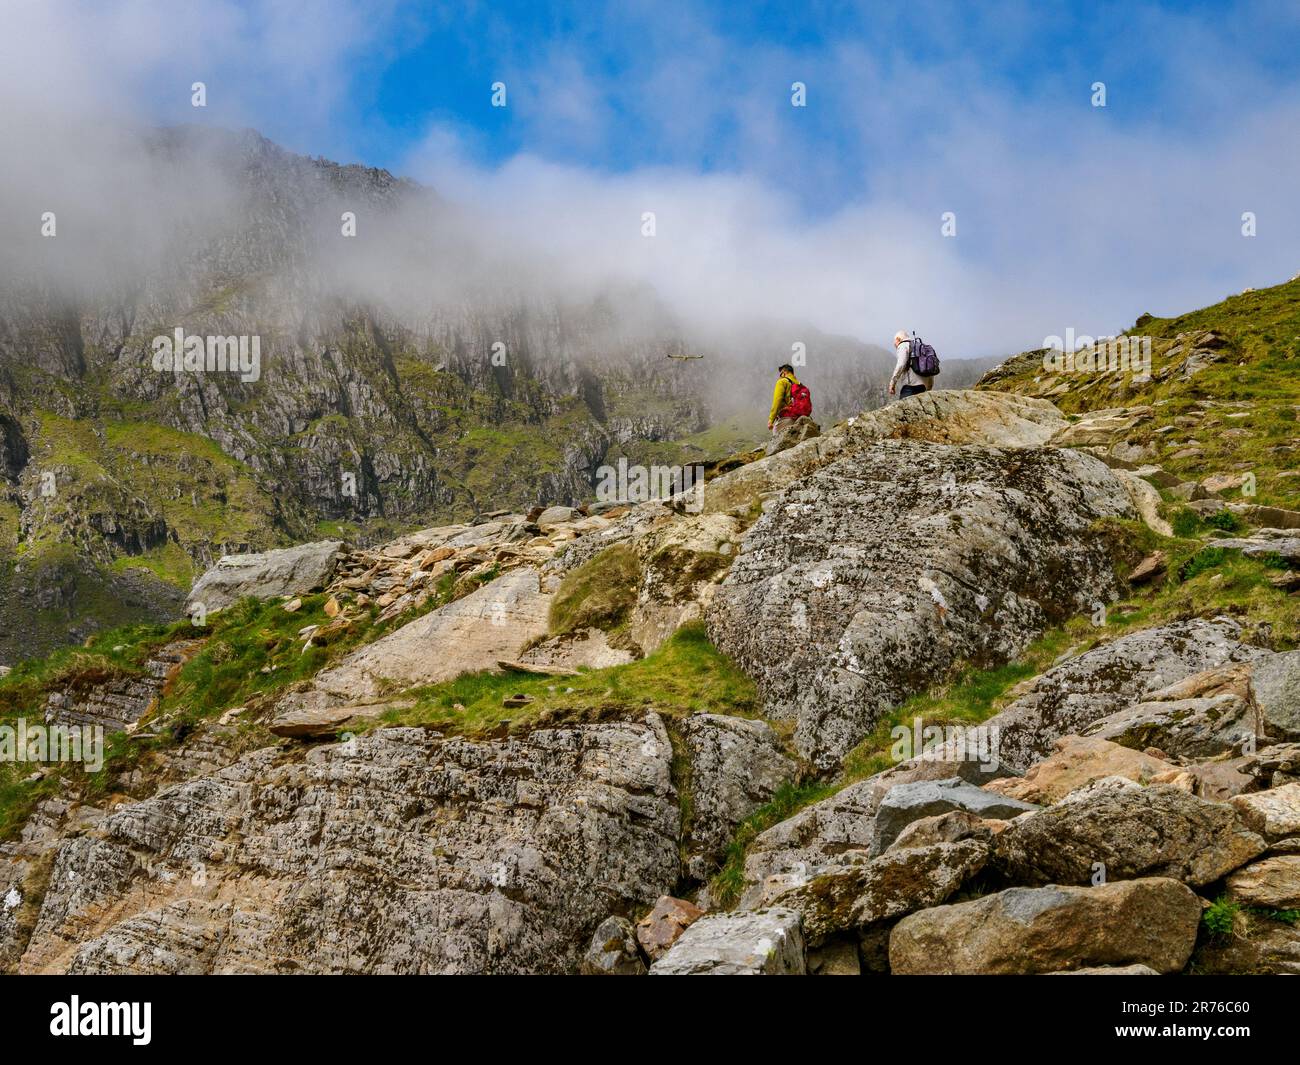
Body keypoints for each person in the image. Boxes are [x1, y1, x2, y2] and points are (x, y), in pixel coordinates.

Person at [889, 329, 933, 399]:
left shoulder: (903, 345)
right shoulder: (920, 347)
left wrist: (892, 383)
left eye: (895, 342)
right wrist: (929, 387)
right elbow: (929, 366)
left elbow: (901, 364)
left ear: (898, 339)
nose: (894, 345)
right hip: (923, 386)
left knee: (904, 408)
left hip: (910, 387)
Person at [767, 363, 809, 433]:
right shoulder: (800, 385)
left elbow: (777, 400)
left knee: (776, 440)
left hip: (787, 417)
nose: (780, 376)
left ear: (784, 372)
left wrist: (771, 420)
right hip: (801, 419)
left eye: (781, 374)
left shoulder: (782, 381)